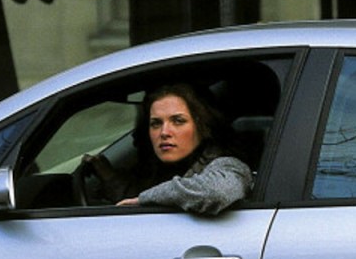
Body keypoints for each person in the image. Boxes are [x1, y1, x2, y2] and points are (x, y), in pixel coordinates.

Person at [89, 83, 252, 215]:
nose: (164, 132)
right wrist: (109, 177)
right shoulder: (158, 169)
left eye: (178, 121)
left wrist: (146, 199)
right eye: (156, 123)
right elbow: (131, 200)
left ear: (202, 126)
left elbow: (218, 192)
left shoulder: (228, 165)